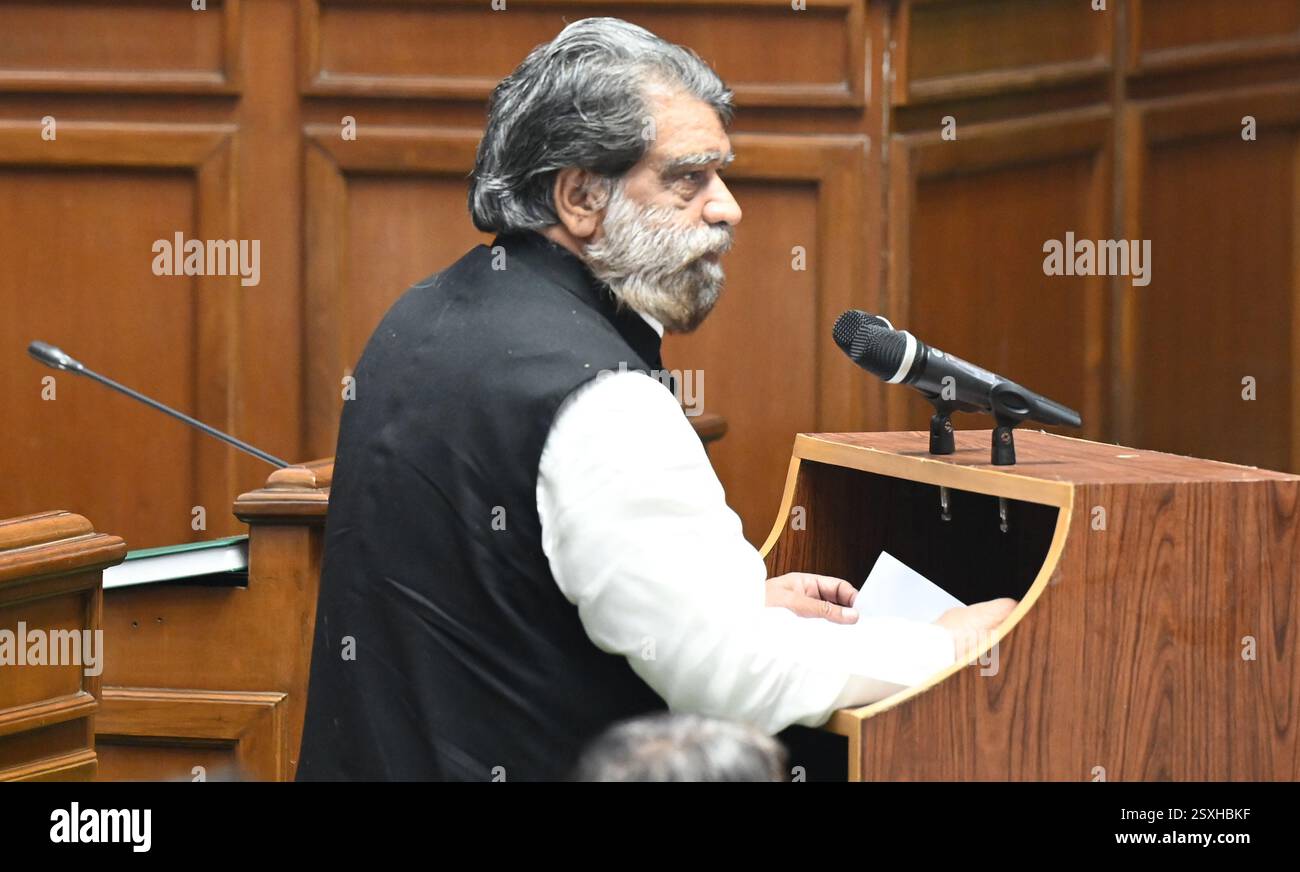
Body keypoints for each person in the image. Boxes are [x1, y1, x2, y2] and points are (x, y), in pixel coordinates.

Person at [295, 17, 1015, 782]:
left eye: (722, 174)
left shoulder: (416, 317)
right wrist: (951, 644)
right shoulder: (602, 399)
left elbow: (500, 603)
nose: (727, 207)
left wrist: (728, 603)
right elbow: (734, 682)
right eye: (689, 178)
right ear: (579, 196)